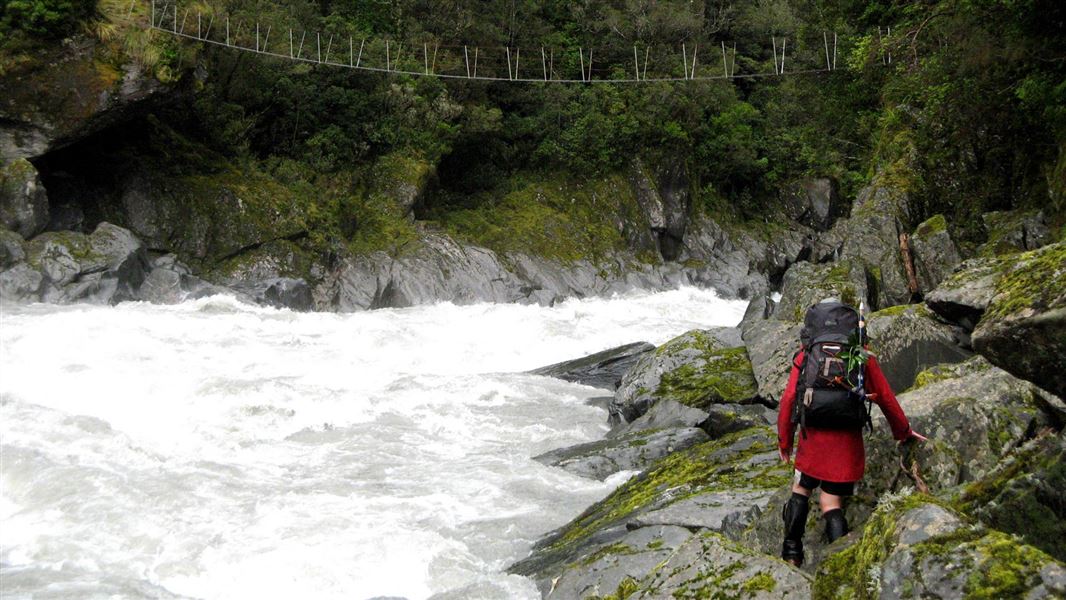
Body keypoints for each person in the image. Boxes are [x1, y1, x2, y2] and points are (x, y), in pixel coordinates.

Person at [776, 300, 927, 567]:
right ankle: (840, 566)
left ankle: (792, 554)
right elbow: (886, 399)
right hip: (845, 447)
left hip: (812, 443)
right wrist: (904, 432)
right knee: (830, 501)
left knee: (800, 489)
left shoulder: (806, 355)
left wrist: (785, 442)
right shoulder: (862, 359)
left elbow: (789, 400)